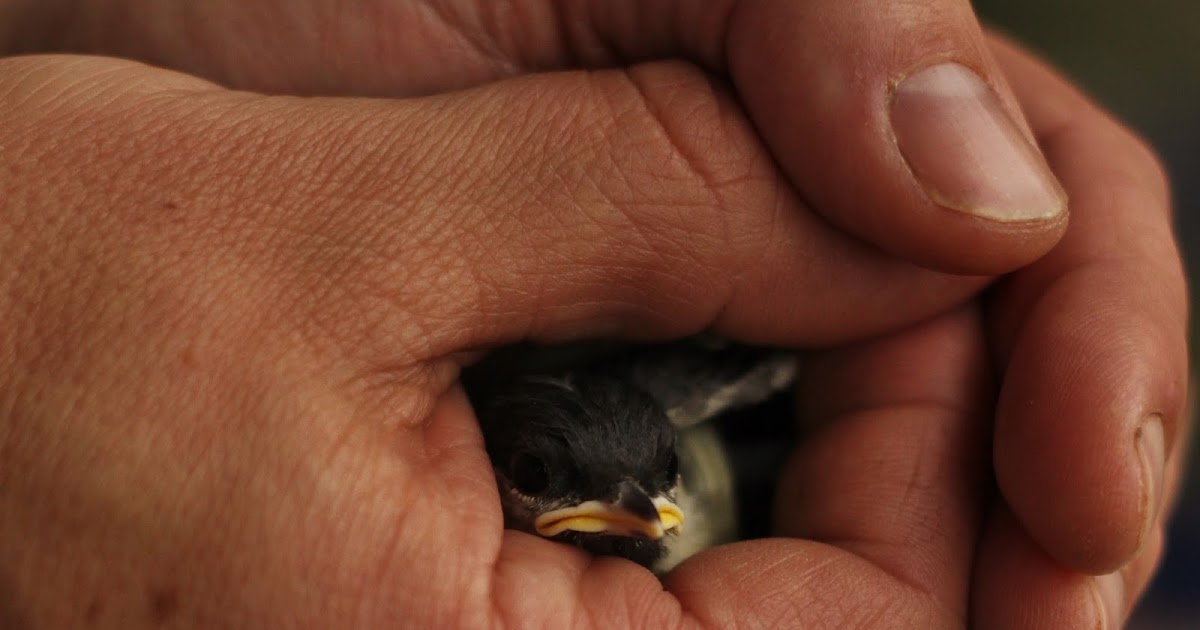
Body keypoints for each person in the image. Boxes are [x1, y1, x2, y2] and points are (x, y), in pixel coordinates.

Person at [0, 1, 1187, 627]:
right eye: (544, 479)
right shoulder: (455, 452)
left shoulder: (666, 482)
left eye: (647, 494)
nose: (632, 518)